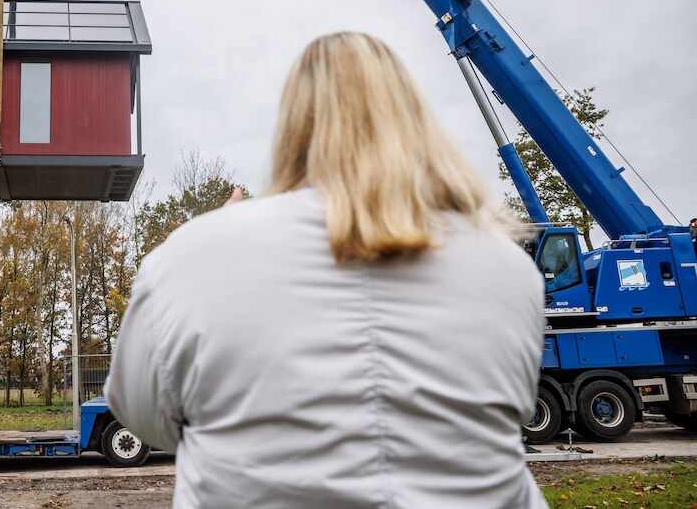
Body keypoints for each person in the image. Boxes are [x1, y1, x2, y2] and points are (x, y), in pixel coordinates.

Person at [105, 32, 548, 508]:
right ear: (412, 118)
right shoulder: (506, 264)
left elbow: (144, 414)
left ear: (294, 125)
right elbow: (510, 409)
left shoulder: (190, 256)